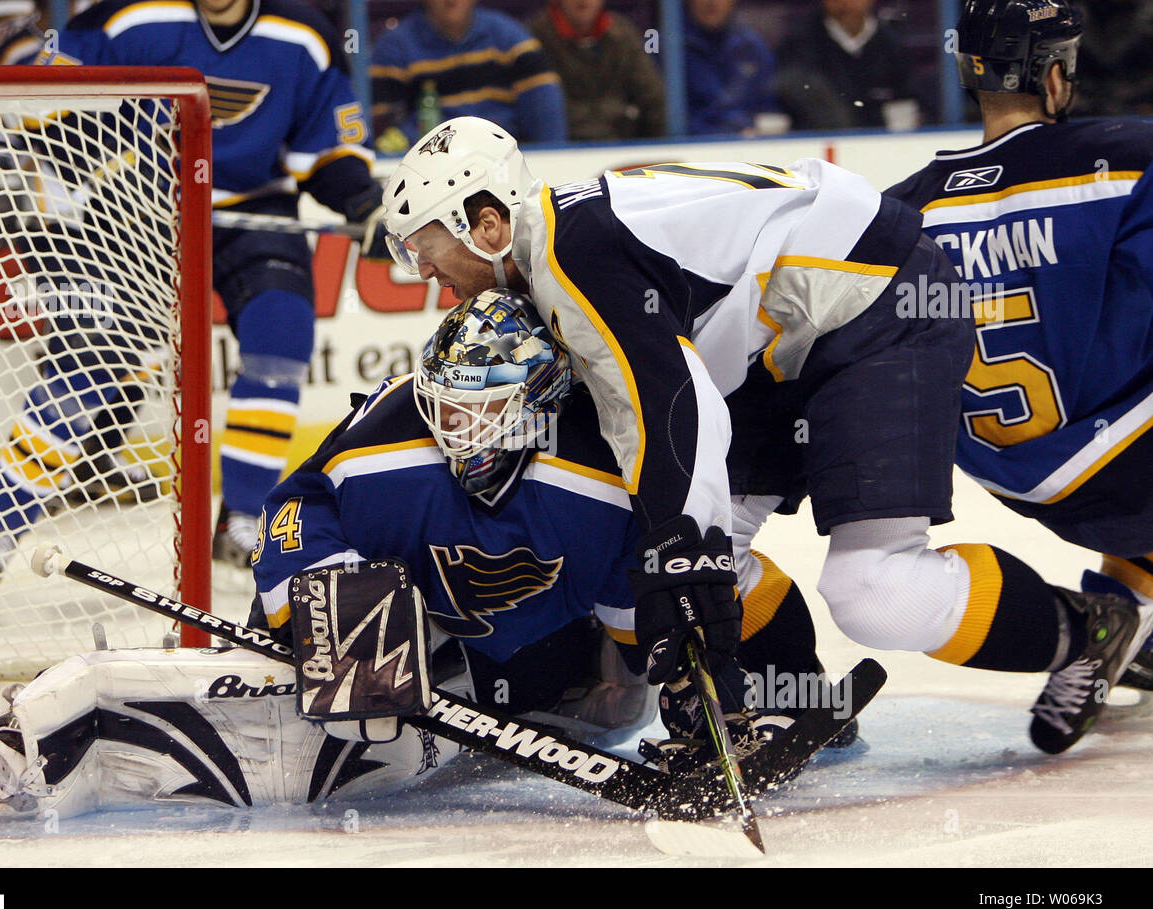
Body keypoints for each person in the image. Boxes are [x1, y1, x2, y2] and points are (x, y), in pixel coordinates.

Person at [381, 114, 1153, 757]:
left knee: (873, 588)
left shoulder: (562, 250)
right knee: (676, 550)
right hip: (783, 338)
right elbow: (665, 403)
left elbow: (670, 405)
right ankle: (795, 699)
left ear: (484, 223)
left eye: (426, 250)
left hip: (879, 304)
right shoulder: (561, 241)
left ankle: (1084, 633)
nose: (427, 278)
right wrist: (687, 557)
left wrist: (685, 555)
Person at [0, 292, 835, 817]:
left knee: (618, 702)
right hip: (410, 620)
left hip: (534, 641)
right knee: (332, 684)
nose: (455, 430)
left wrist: (686, 698)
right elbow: (289, 509)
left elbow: (637, 609)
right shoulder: (382, 454)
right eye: (444, 407)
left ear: (535, 407)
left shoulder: (603, 485)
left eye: (478, 411)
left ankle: (798, 682)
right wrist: (322, 595)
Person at [0, 0, 391, 577]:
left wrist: (360, 199)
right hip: (132, 212)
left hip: (251, 214)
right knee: (89, 360)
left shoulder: (305, 35)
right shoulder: (124, 18)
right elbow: (47, 103)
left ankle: (241, 518)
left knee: (281, 334)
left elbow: (326, 150)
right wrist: (53, 160)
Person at [886, 0, 1153, 696]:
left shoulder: (902, 212)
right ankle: (1126, 612)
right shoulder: (1128, 157)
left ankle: (1117, 619)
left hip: (1026, 488)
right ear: (1055, 76)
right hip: (1130, 465)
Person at [368, 0, 566, 155]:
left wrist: (548, 161)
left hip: (506, 160)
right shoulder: (393, 48)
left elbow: (546, 114)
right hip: (431, 168)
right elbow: (385, 131)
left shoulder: (510, 37)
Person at [526, 0, 664, 142]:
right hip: (557, 147)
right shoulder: (532, 39)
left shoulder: (623, 34)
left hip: (620, 143)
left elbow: (653, 98)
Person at [776, 0, 921, 131]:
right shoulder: (799, 43)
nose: (844, 3)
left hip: (880, 143)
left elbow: (906, 100)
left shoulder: (892, 44)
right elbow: (786, 104)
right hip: (815, 140)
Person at [682, 0, 776, 136]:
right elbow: (668, 119)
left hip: (749, 143)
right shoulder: (669, 50)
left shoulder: (752, 47)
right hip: (694, 145)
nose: (711, 2)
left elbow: (768, 107)